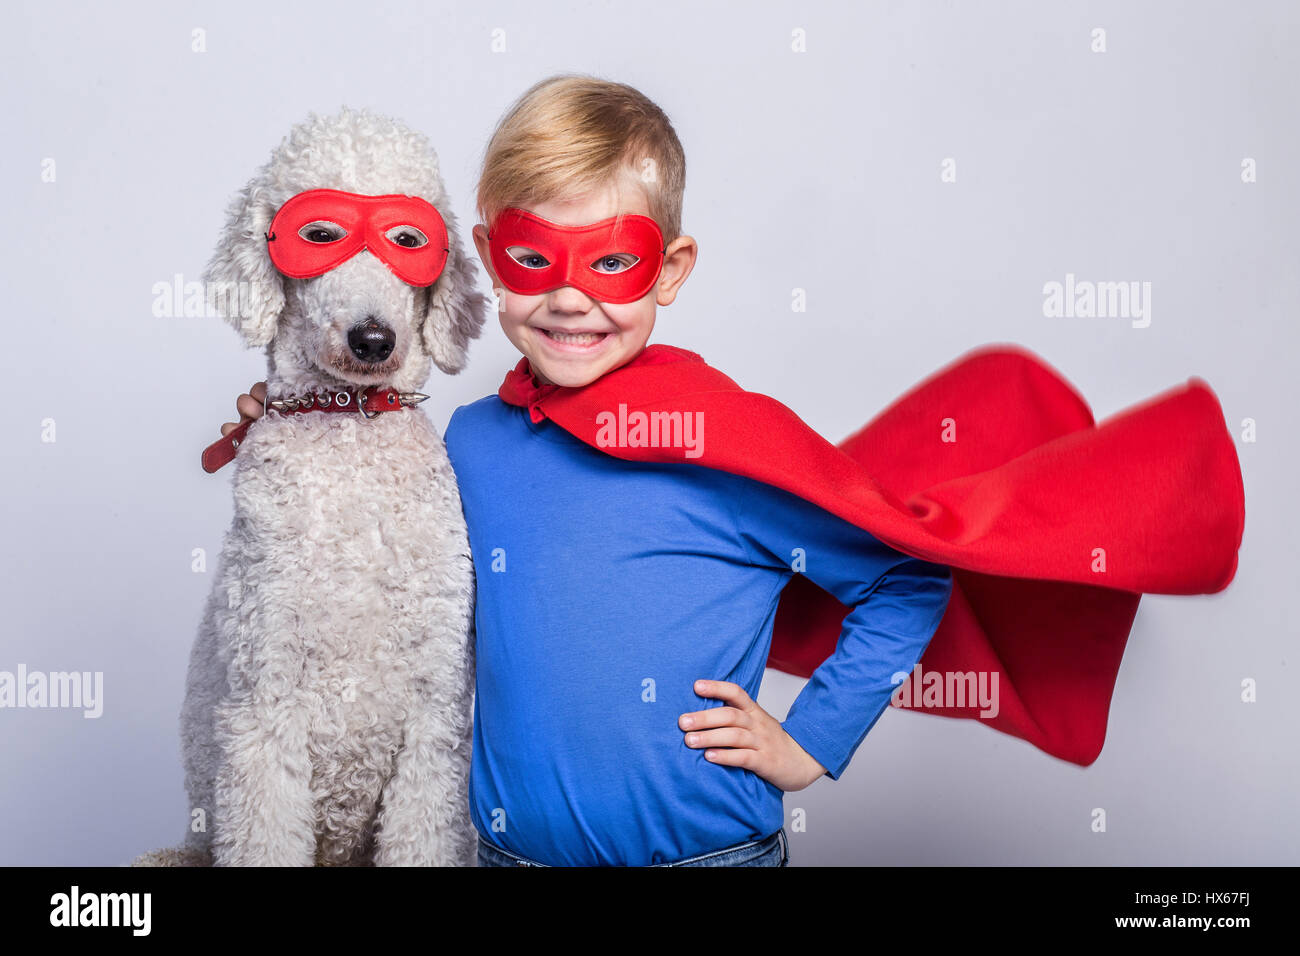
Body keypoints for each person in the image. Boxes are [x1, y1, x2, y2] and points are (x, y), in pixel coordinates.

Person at [218, 74, 953, 867]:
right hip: (509, 856)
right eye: (534, 258)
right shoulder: (467, 443)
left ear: (669, 270)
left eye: (609, 261)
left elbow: (905, 578)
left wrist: (810, 743)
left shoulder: (729, 443)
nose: (569, 299)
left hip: (709, 858)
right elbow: (380, 540)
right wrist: (306, 415)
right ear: (490, 259)